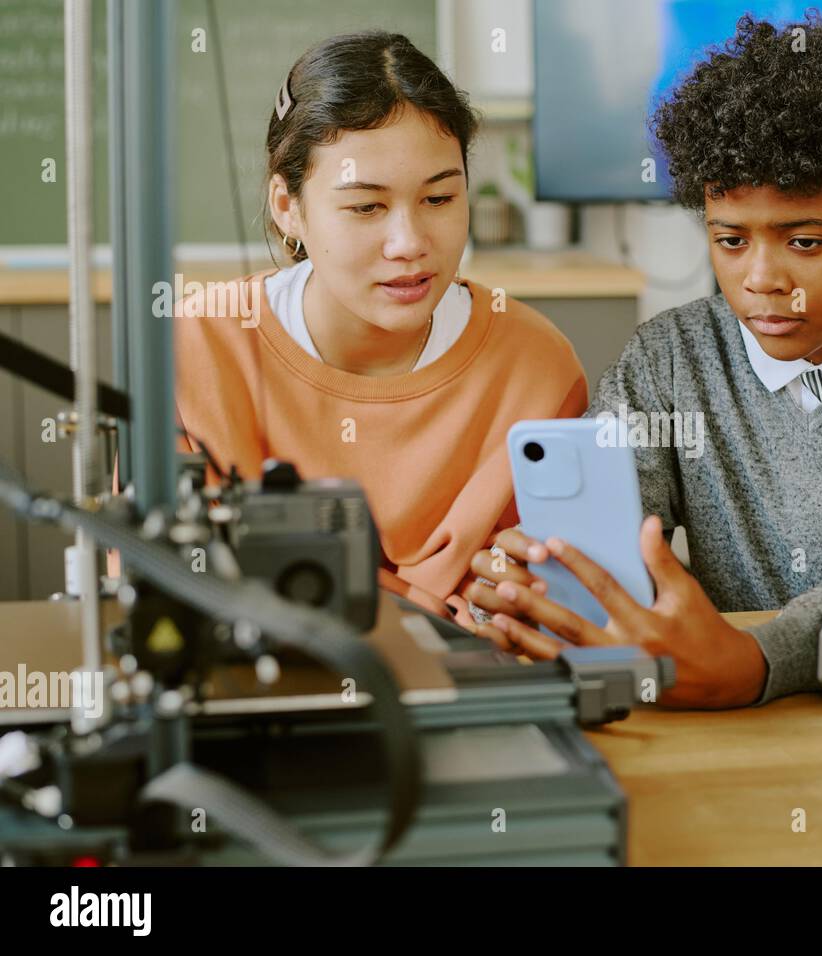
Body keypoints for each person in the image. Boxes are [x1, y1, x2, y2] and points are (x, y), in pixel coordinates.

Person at [466, 11, 822, 707]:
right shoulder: (670, 354)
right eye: (731, 240)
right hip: (737, 706)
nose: (760, 279)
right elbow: (607, 532)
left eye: (804, 242)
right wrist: (542, 579)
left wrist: (764, 656)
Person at [173, 32, 586, 620]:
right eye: (366, 206)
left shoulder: (536, 366)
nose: (410, 244)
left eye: (440, 199)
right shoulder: (199, 347)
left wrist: (512, 606)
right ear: (287, 206)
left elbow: (549, 597)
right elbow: (158, 583)